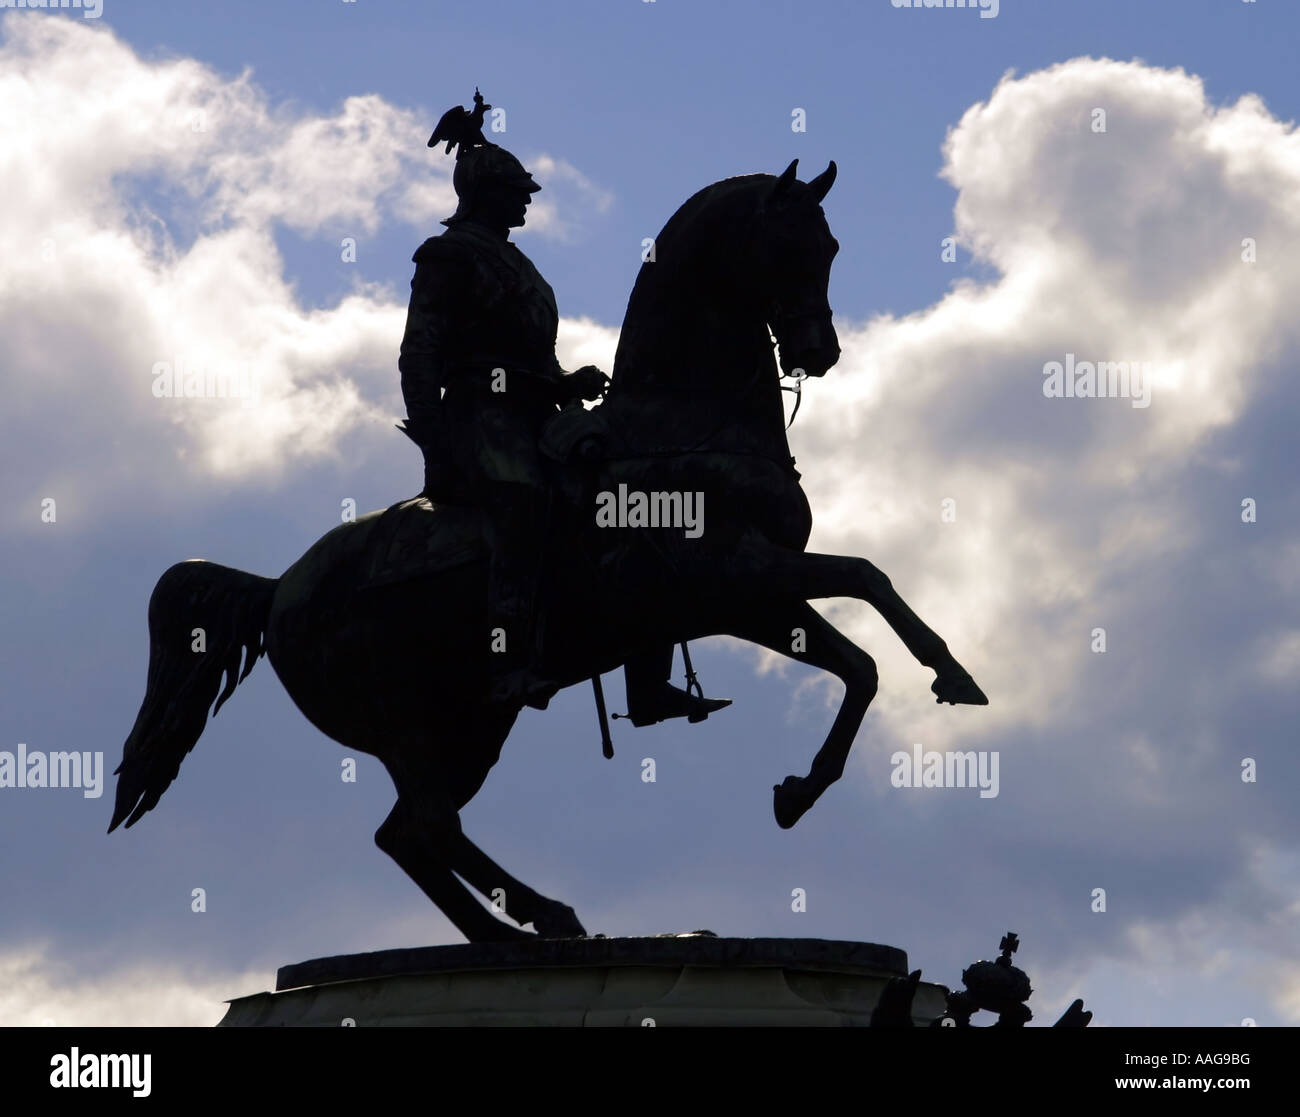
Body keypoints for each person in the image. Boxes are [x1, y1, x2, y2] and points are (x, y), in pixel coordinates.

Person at [399, 96, 729, 724]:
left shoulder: (519, 263)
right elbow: (420, 353)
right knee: (523, 505)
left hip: (535, 416)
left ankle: (647, 684)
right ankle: (506, 666)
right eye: (517, 190)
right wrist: (435, 436)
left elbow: (527, 356)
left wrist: (563, 378)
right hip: (480, 419)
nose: (528, 199)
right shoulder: (447, 256)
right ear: (486, 192)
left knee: (634, 498)